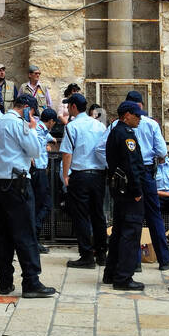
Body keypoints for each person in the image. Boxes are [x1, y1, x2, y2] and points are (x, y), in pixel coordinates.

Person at [0, 94, 55, 298]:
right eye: (32, 113)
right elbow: (34, 150)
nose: (32, 117)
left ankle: (4, 281)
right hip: (17, 183)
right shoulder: (21, 124)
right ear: (26, 108)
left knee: (3, 235)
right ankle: (31, 281)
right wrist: (32, 130)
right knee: (25, 233)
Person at [102, 100, 152, 291]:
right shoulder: (126, 134)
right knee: (130, 234)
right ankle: (123, 277)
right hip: (129, 192)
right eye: (137, 115)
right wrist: (138, 191)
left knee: (119, 232)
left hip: (120, 190)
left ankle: (112, 272)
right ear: (127, 115)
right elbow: (132, 165)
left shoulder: (116, 131)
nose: (140, 119)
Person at [124, 90, 169, 271]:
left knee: (133, 217)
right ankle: (164, 260)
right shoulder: (151, 124)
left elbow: (102, 149)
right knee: (154, 217)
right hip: (146, 172)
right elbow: (162, 151)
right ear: (141, 105)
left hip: (129, 172)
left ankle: (135, 262)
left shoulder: (117, 125)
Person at [60, 92, 107, 268]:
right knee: (98, 215)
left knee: (81, 215)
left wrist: (65, 174)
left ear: (73, 107)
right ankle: (102, 253)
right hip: (98, 174)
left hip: (80, 175)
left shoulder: (72, 127)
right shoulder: (99, 126)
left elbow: (67, 153)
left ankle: (86, 254)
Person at [31, 107, 57, 250]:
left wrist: (51, 140)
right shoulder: (38, 130)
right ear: (51, 121)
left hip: (39, 172)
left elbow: (46, 137)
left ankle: (34, 239)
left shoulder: (41, 128)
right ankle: (34, 239)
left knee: (41, 205)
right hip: (38, 172)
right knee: (43, 205)